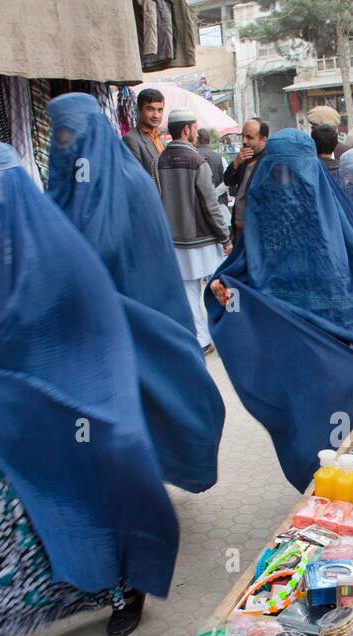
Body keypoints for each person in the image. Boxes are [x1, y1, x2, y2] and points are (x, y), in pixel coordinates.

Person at [0, 142, 182, 636]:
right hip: (6, 427)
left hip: (69, 419)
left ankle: (125, 588)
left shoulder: (60, 256)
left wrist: (17, 386)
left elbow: (88, 339)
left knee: (80, 511)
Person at [45, 92, 225, 513]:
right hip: (86, 332)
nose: (67, 146)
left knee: (138, 402)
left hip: (140, 318)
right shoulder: (68, 187)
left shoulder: (132, 184)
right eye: (60, 137)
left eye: (74, 136)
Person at [205, 129, 353, 488]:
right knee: (301, 439)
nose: (287, 182)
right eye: (279, 172)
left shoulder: (336, 221)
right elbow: (239, 271)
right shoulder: (264, 217)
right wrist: (225, 290)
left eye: (296, 172)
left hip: (338, 351)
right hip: (286, 353)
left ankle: (341, 500)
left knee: (341, 437)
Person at [157, 106, 232, 353]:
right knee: (221, 287)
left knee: (189, 293)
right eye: (195, 127)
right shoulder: (196, 160)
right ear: (187, 129)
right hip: (203, 238)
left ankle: (201, 340)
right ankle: (228, 335)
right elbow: (210, 203)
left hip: (175, 239)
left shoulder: (160, 161)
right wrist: (224, 236)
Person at [223, 117, 268, 241]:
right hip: (239, 226)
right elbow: (228, 181)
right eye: (243, 136)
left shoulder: (269, 161)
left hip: (257, 228)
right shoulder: (244, 157)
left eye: (249, 137)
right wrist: (236, 163)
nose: (244, 141)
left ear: (263, 139)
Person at [123, 88, 166, 179]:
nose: (156, 115)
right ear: (138, 110)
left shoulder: (160, 136)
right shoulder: (131, 139)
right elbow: (136, 178)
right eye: (150, 109)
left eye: (160, 110)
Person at [195, 127, 226, 192]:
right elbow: (226, 180)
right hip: (219, 199)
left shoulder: (194, 156)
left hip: (201, 199)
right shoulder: (220, 157)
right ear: (209, 141)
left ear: (196, 140)